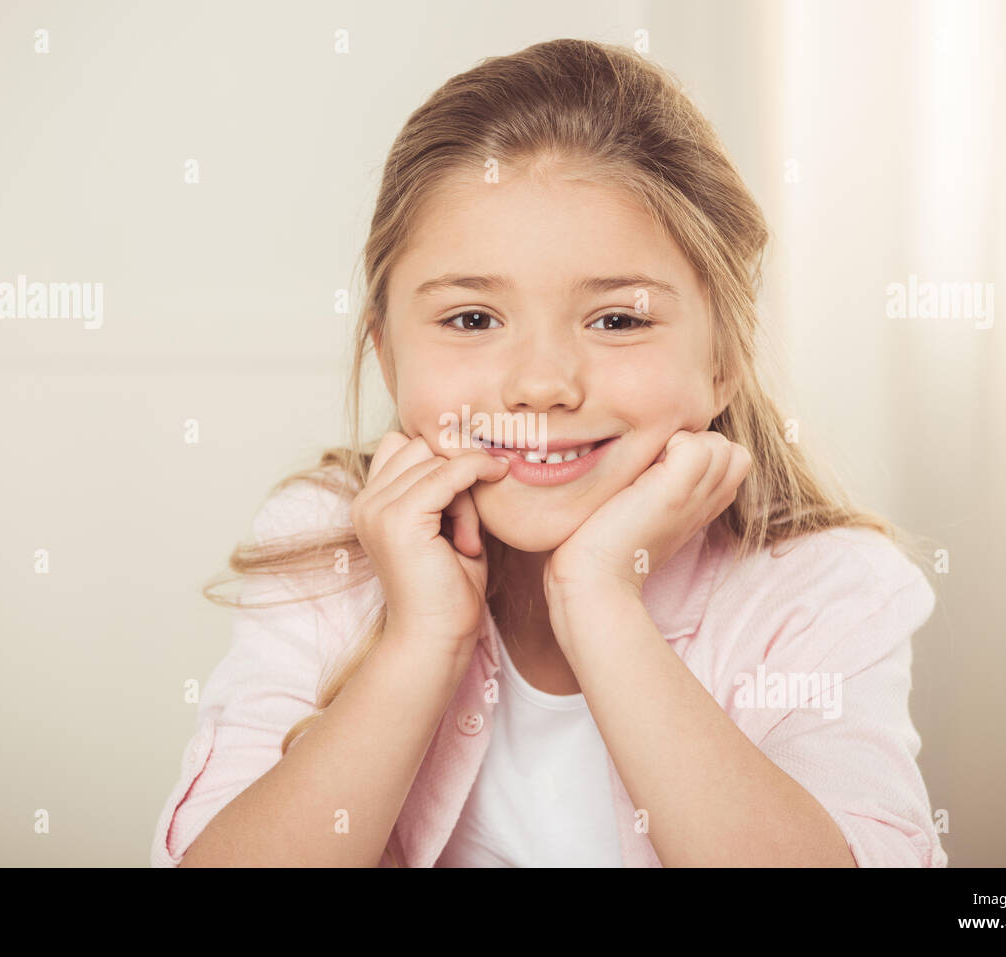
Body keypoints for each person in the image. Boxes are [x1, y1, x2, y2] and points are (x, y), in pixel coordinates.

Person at [150, 37, 946, 868]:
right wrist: (421, 640)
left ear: (722, 363)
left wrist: (601, 599)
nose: (541, 385)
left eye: (617, 319)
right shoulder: (326, 545)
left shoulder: (822, 590)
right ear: (388, 358)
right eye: (471, 319)